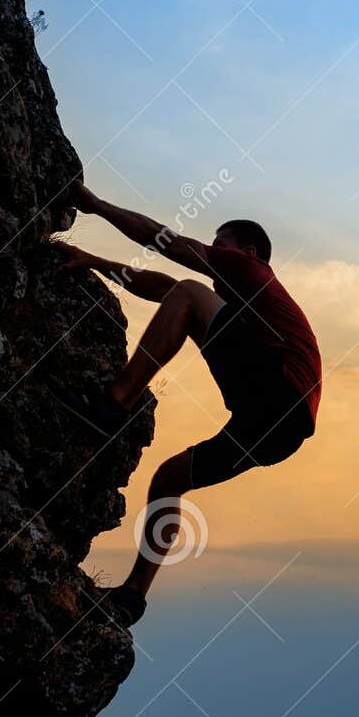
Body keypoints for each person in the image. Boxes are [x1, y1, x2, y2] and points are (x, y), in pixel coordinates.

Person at [52, 183, 322, 626]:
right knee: (170, 478)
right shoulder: (241, 307)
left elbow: (164, 242)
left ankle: (114, 404)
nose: (216, 250)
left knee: (190, 291)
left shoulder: (252, 272)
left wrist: (96, 206)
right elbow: (165, 287)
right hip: (277, 431)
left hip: (278, 389)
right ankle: (132, 598)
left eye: (221, 244)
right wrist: (97, 263)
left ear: (248, 251)